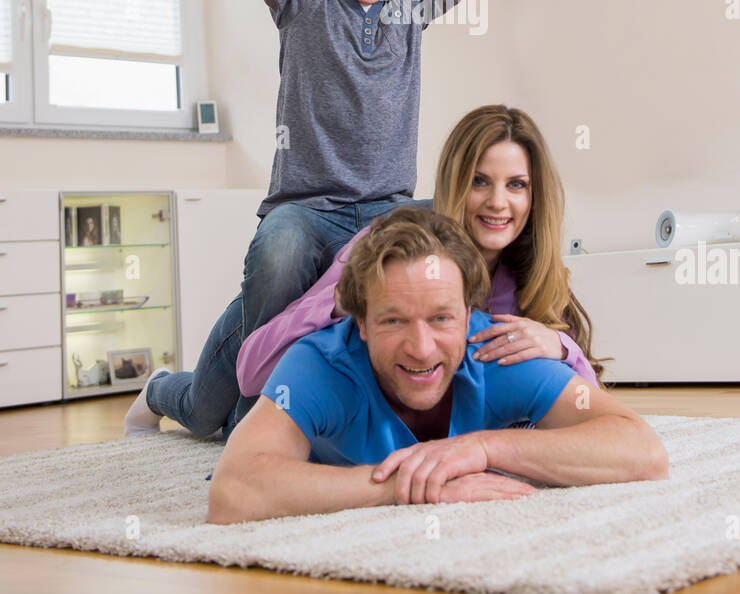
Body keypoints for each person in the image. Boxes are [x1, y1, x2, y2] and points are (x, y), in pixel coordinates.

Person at [146, 0, 634, 431]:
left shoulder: (411, 9)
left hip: (386, 210)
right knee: (216, 389)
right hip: (306, 211)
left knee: (477, 208)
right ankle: (225, 408)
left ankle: (525, 349)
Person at [125, 105, 608, 439]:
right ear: (454, 181)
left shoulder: (527, 270)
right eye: (480, 181)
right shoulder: (395, 243)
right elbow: (253, 371)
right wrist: (346, 299)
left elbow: (591, 403)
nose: (498, 202)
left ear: (534, 194)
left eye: (517, 184)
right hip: (272, 319)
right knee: (209, 415)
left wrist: (557, 344)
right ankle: (156, 389)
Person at [207, 208, 668, 523]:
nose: (422, 349)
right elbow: (234, 491)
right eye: (393, 320)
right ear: (361, 322)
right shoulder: (320, 364)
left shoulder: (491, 351)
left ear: (469, 316)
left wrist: (484, 449)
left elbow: (641, 450)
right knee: (201, 407)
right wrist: (406, 486)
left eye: (442, 319)